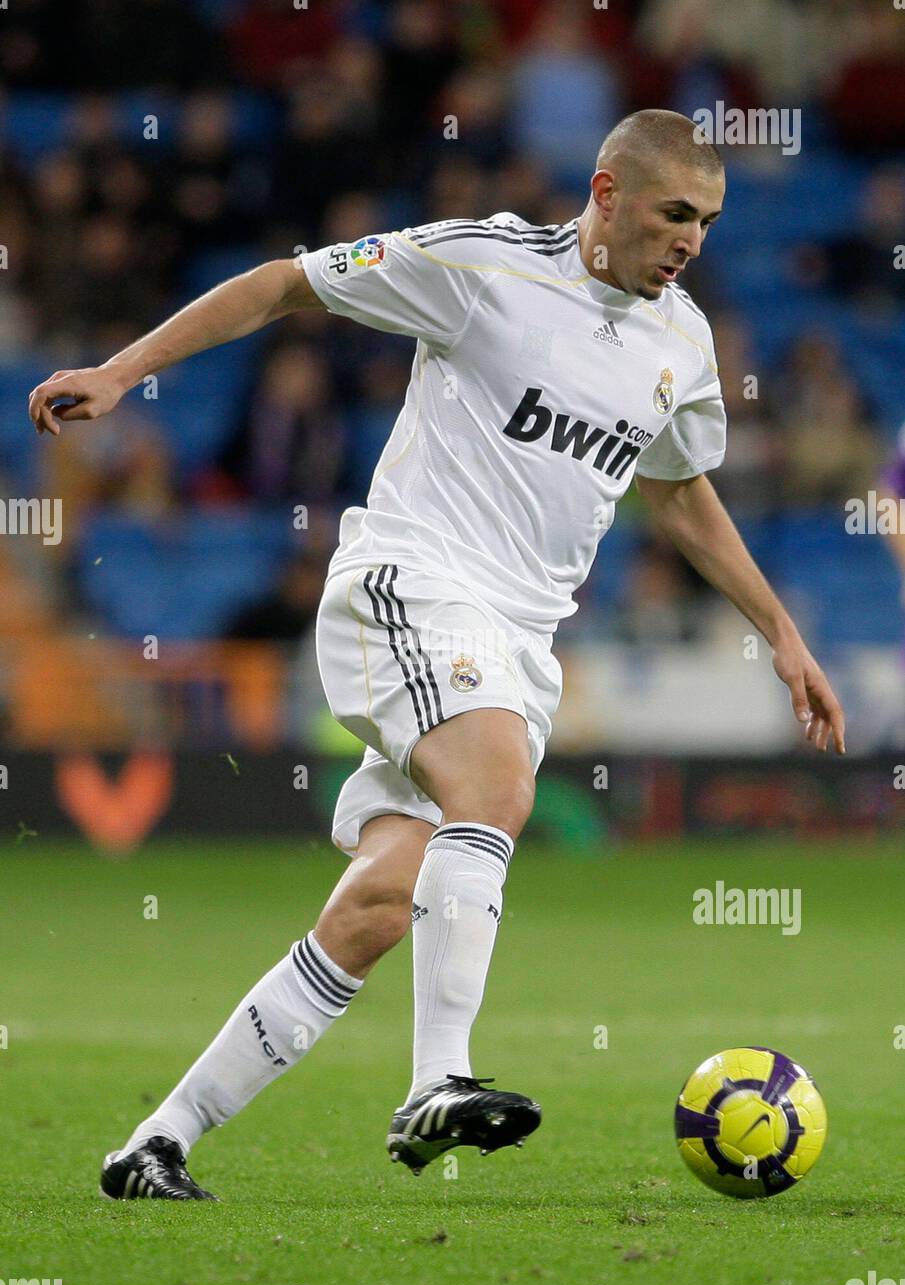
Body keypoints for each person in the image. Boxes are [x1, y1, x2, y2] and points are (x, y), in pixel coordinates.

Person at [28, 110, 846, 1201]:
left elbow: (675, 490)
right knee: (497, 787)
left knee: (380, 903)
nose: (689, 239)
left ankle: (157, 1143)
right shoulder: (483, 268)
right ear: (605, 195)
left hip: (516, 642)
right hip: (409, 584)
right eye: (671, 214)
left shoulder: (680, 344)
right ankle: (436, 1082)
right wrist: (125, 372)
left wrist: (781, 632)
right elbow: (283, 283)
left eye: (704, 219)